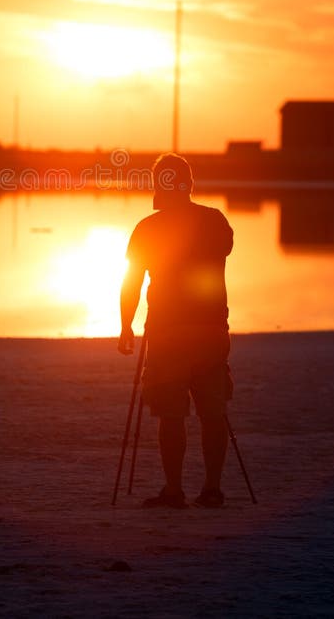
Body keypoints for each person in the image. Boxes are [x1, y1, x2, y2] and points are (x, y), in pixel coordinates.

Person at [118, 153, 234, 508]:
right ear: (189, 184)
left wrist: (126, 325)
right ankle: (212, 489)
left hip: (167, 332)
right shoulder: (215, 222)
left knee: (171, 415)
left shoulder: (147, 228)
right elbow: (224, 250)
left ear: (159, 186)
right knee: (213, 412)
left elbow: (132, 282)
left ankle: (173, 490)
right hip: (210, 330)